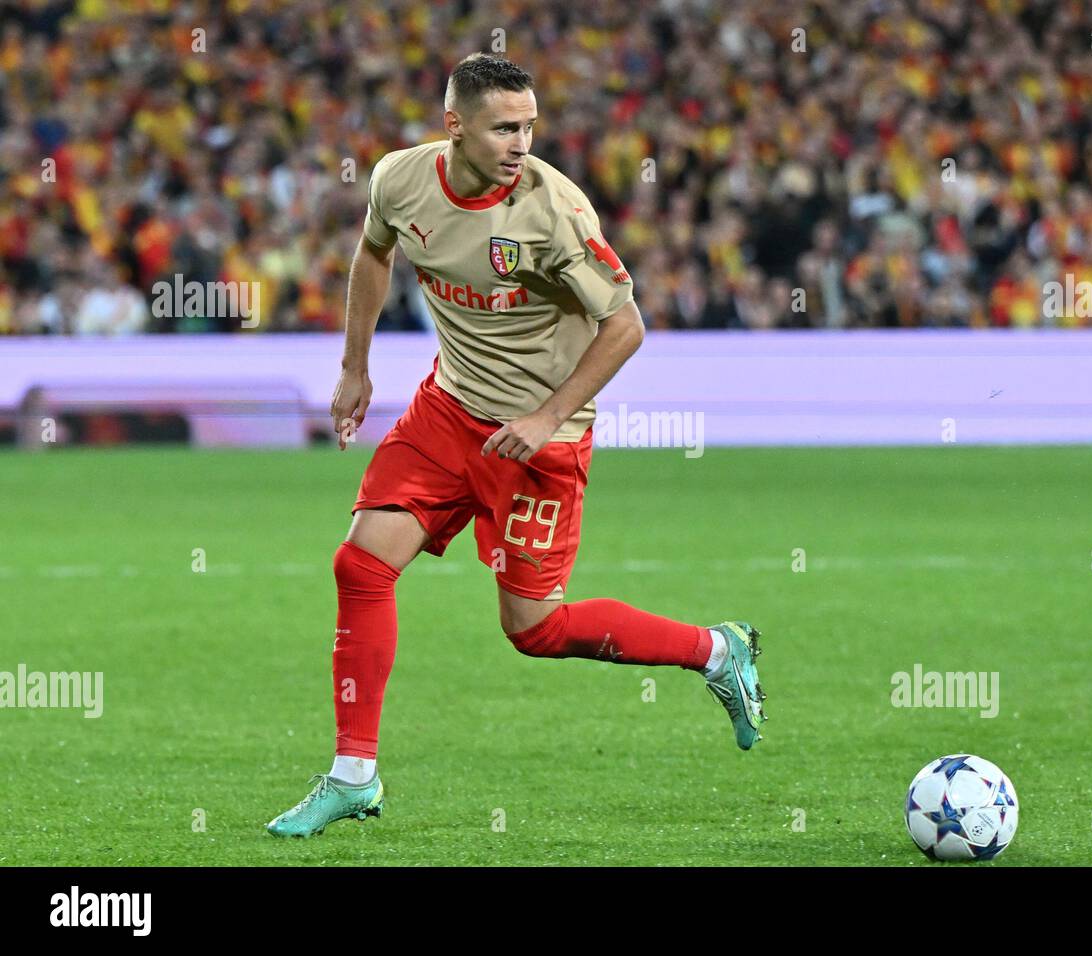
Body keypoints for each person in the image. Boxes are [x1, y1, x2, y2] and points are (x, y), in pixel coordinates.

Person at [266, 54, 767, 838]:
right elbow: (374, 252)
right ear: (454, 126)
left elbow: (626, 324)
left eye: (530, 125)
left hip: (542, 438)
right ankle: (353, 775)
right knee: (360, 562)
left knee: (534, 629)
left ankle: (715, 651)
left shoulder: (553, 209)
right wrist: (355, 367)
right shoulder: (400, 180)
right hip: (449, 411)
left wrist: (546, 417)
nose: (521, 142)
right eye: (505, 126)